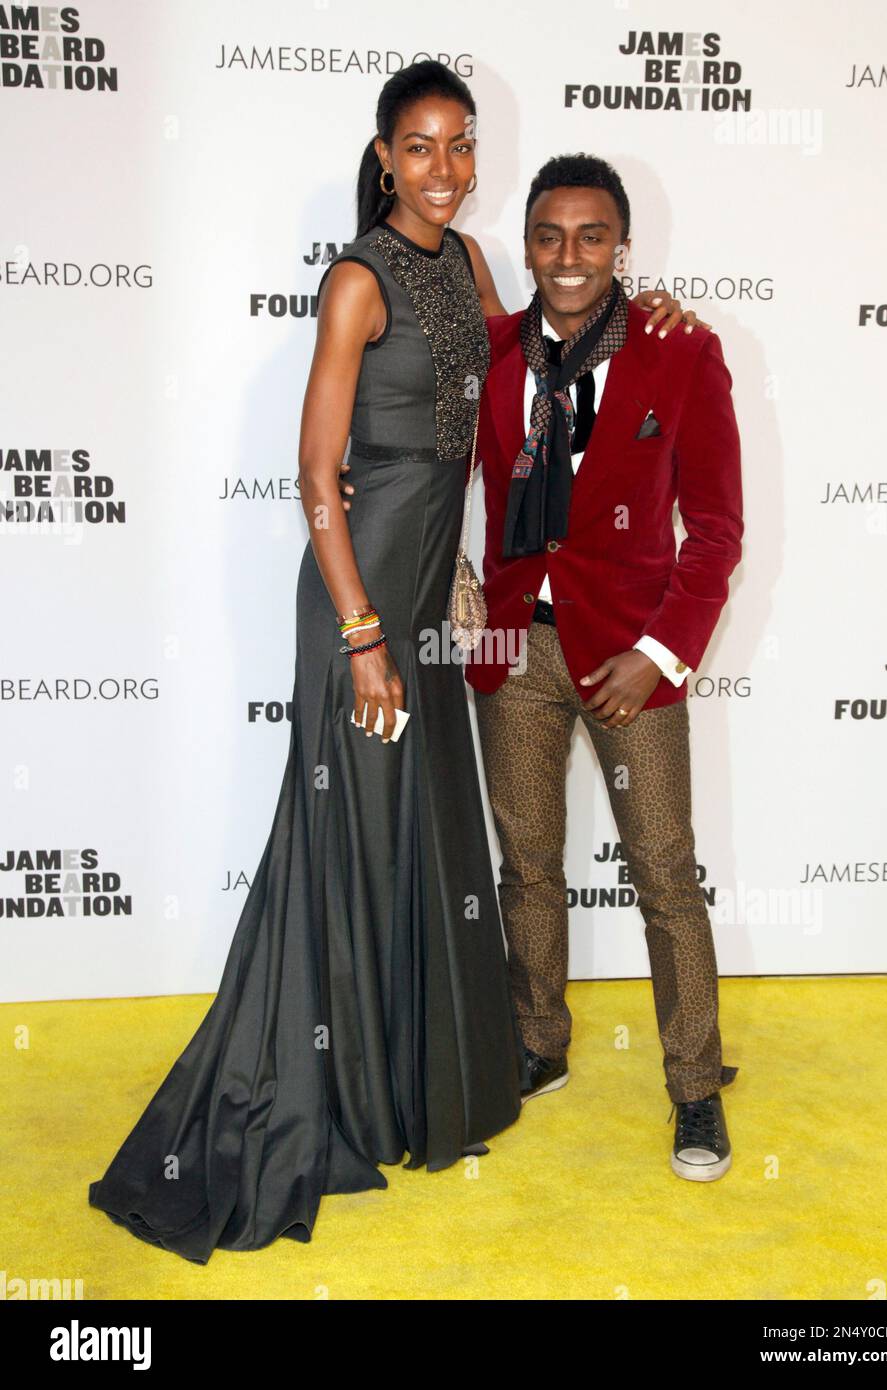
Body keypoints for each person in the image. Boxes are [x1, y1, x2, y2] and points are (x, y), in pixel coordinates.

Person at [88, 65, 697, 1265]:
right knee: (355, 837)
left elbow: (534, 366)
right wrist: (363, 636)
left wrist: (650, 308)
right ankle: (340, 1098)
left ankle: (418, 1086)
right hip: (363, 604)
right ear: (383, 154)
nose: (445, 170)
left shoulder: (471, 270)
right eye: (420, 148)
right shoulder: (359, 281)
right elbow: (318, 475)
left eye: (461, 146)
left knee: (425, 835)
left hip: (429, 592)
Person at [463, 154, 743, 1182]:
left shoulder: (682, 350)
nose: (570, 256)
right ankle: (540, 1041)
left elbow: (715, 529)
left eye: (592, 236)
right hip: (515, 650)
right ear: (528, 244)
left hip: (633, 655)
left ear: (623, 246)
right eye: (549, 235)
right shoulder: (496, 356)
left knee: (665, 876)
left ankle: (697, 1088)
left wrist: (659, 652)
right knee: (527, 866)